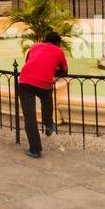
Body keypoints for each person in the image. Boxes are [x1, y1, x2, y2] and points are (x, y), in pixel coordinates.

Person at [18, 29, 69, 158]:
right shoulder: (59, 51)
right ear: (57, 43)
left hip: (24, 81)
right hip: (43, 84)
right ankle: (48, 125)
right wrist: (53, 71)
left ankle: (35, 150)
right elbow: (65, 71)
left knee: (29, 118)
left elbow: (28, 62)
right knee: (47, 100)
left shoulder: (35, 46)